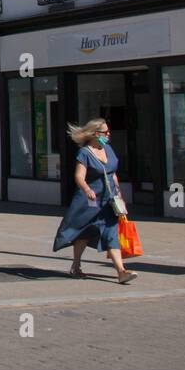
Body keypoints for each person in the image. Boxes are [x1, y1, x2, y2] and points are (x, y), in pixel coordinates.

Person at [53, 118, 137, 284]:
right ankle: (76, 266)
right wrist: (87, 189)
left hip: (109, 201)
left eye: (108, 132)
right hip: (89, 202)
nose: (108, 135)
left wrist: (119, 195)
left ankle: (121, 271)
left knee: (111, 233)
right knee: (84, 232)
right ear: (94, 134)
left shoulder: (109, 149)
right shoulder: (85, 153)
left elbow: (113, 174)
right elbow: (79, 176)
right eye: (105, 133)